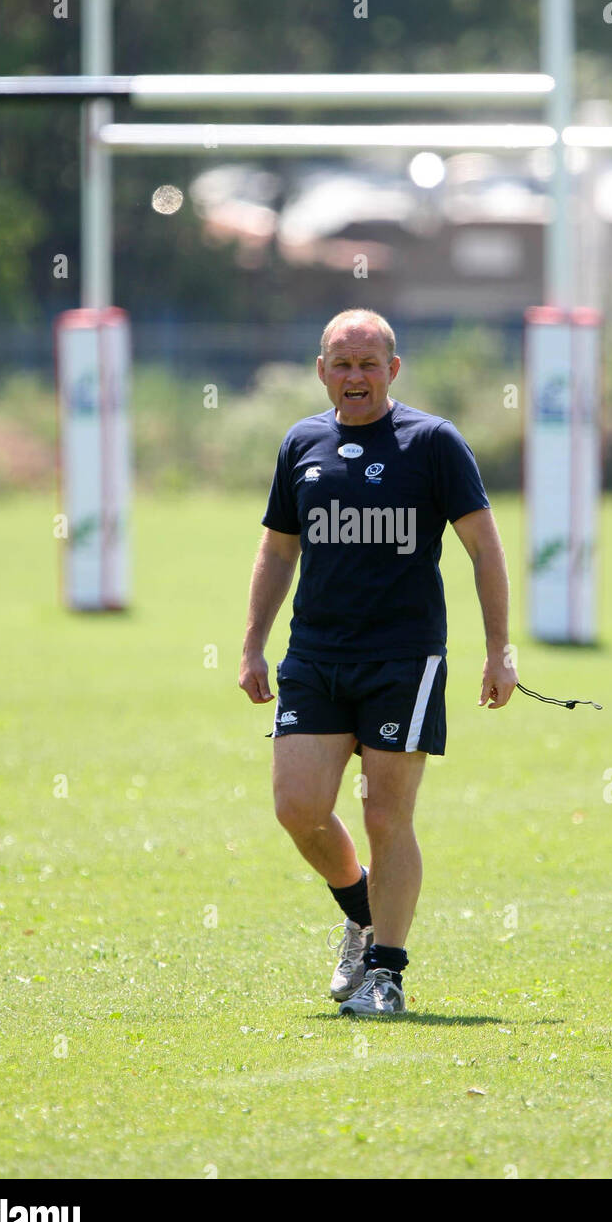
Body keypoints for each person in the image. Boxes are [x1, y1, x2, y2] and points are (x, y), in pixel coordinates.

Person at [238, 308, 517, 1016]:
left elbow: (484, 548)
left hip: (404, 659)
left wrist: (498, 651)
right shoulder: (301, 442)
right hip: (316, 656)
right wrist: (251, 645)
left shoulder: (433, 444)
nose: (354, 376)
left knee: (386, 815)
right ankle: (361, 913)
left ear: (392, 370)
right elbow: (277, 550)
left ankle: (386, 974)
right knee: (298, 808)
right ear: (322, 370)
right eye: (341, 363)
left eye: (368, 364)